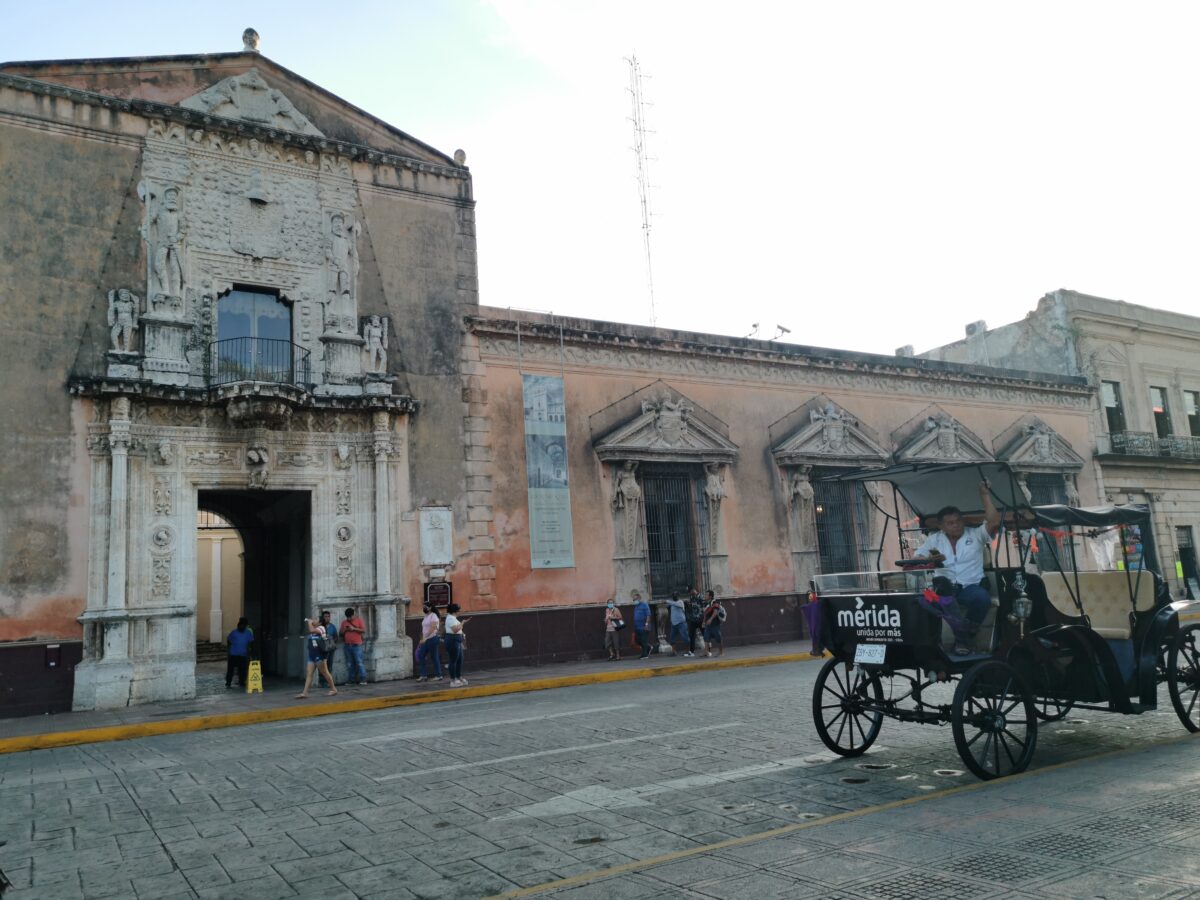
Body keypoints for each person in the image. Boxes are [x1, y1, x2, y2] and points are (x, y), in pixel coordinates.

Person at [914, 480, 1001, 655]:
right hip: (942, 589)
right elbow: (917, 558)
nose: (956, 525)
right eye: (950, 523)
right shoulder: (934, 539)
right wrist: (930, 559)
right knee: (924, 597)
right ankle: (940, 640)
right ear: (942, 526)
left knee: (982, 598)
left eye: (958, 521)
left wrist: (984, 495)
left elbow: (993, 521)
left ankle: (963, 637)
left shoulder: (975, 535)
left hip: (970, 587)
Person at [297, 618, 337, 698]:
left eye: (315, 619)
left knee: (325, 672)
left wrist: (309, 622)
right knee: (309, 674)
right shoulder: (314, 630)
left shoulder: (321, 628)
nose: (313, 620)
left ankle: (333, 689)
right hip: (312, 655)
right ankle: (304, 693)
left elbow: (311, 630)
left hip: (320, 655)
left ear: (320, 622)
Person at [416, 603, 443, 682]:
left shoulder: (433, 615)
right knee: (421, 655)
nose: (424, 608)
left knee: (434, 657)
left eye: (425, 607)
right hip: (425, 639)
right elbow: (424, 629)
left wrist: (425, 637)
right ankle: (423, 675)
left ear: (430, 608)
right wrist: (421, 638)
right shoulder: (426, 616)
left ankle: (439, 675)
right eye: (423, 606)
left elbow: (433, 628)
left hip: (432, 638)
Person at [341, 607, 368, 685]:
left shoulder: (359, 620)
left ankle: (363, 679)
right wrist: (345, 630)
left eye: (350, 616)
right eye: (347, 617)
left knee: (359, 662)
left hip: (357, 645)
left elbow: (363, 630)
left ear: (353, 615)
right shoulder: (344, 622)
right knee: (350, 664)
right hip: (347, 645)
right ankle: (351, 680)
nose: (349, 618)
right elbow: (341, 633)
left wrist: (353, 629)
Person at [444, 603, 469, 687]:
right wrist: (462, 623)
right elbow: (455, 630)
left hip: (457, 639)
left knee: (460, 659)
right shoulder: (450, 618)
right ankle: (453, 680)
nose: (459, 612)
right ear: (455, 611)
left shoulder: (453, 618)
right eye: (459, 610)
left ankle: (458, 677)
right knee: (453, 660)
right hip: (452, 639)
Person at [225, 617, 253, 688]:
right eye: (240, 626)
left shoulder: (248, 633)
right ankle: (228, 683)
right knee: (230, 670)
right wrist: (229, 650)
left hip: (243, 655)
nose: (241, 627)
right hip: (233, 654)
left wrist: (249, 652)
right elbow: (228, 640)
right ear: (238, 626)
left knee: (242, 670)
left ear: (245, 626)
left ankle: (242, 682)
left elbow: (250, 643)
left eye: (243, 626)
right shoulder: (234, 632)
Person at [701, 591, 725, 657]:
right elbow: (705, 614)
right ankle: (706, 652)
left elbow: (715, 612)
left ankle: (721, 652)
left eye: (706, 595)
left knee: (718, 638)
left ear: (710, 596)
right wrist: (703, 622)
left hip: (715, 624)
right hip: (708, 624)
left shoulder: (714, 602)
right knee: (706, 637)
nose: (705, 596)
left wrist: (710, 619)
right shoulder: (706, 604)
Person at [318, 610, 338, 688]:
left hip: (330, 649)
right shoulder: (320, 627)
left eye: (328, 616)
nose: (327, 618)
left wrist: (332, 641)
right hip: (322, 650)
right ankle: (321, 681)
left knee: (329, 665)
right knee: (322, 666)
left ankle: (328, 682)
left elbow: (336, 637)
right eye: (325, 616)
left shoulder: (332, 627)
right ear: (323, 618)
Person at [666, 592, 689, 656]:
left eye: (675, 595)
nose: (674, 597)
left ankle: (687, 651)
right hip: (674, 623)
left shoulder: (680, 602)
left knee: (685, 637)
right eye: (673, 596)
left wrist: (668, 601)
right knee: (672, 638)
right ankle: (673, 651)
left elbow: (675, 604)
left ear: (678, 596)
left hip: (681, 623)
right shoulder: (672, 603)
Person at [632, 590, 653, 659]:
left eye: (635, 599)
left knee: (644, 641)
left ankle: (645, 655)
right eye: (633, 599)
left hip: (644, 627)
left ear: (639, 598)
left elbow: (648, 615)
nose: (634, 600)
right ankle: (648, 647)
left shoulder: (644, 604)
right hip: (637, 627)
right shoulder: (636, 606)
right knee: (638, 640)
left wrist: (646, 624)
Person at [685, 587, 705, 655]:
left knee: (705, 635)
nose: (690, 593)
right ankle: (691, 652)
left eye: (691, 591)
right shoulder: (691, 597)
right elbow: (691, 607)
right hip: (693, 620)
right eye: (690, 592)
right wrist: (689, 605)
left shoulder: (701, 597)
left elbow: (703, 606)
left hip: (701, 619)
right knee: (691, 636)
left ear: (694, 590)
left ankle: (708, 650)